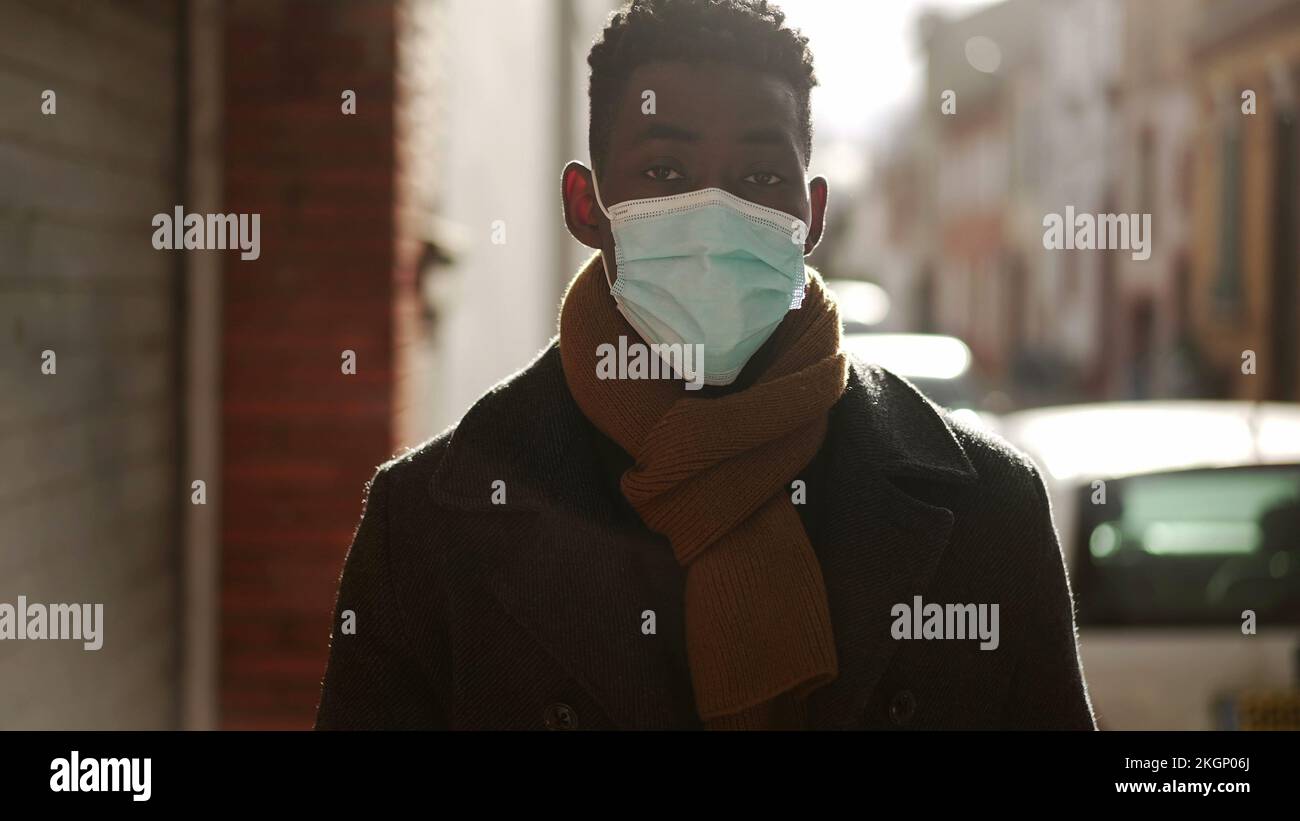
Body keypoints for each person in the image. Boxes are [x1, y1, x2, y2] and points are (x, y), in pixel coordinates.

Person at [315, 0, 1096, 730]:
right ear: (586, 207)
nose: (716, 212)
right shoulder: (427, 523)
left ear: (812, 215)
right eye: (665, 173)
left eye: (760, 178)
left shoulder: (991, 509)